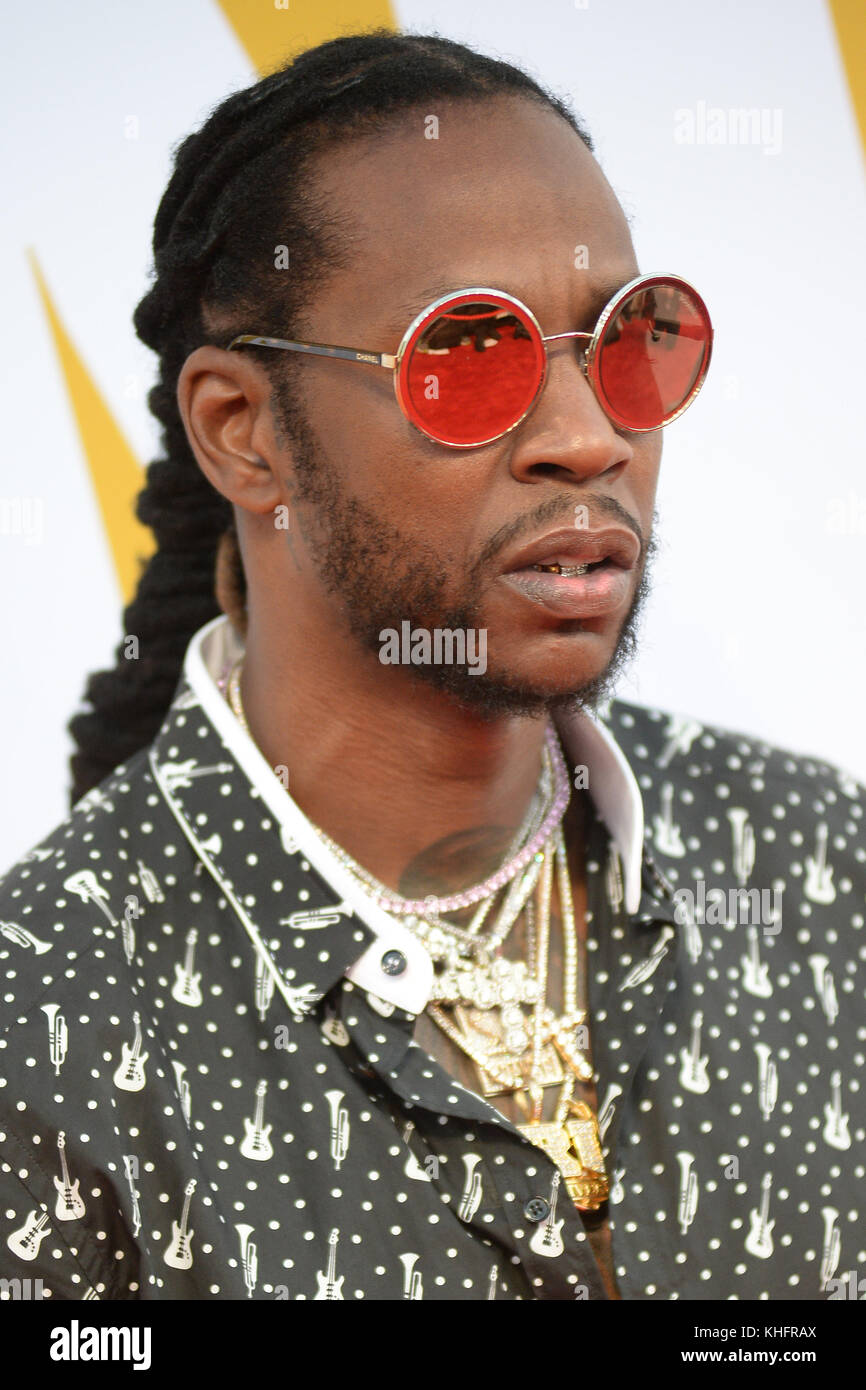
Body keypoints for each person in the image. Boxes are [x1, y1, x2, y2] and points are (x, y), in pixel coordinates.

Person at [0, 30, 861, 1303]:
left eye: (629, 338)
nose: (587, 437)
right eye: (468, 353)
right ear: (243, 432)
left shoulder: (808, 854)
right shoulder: (47, 1019)